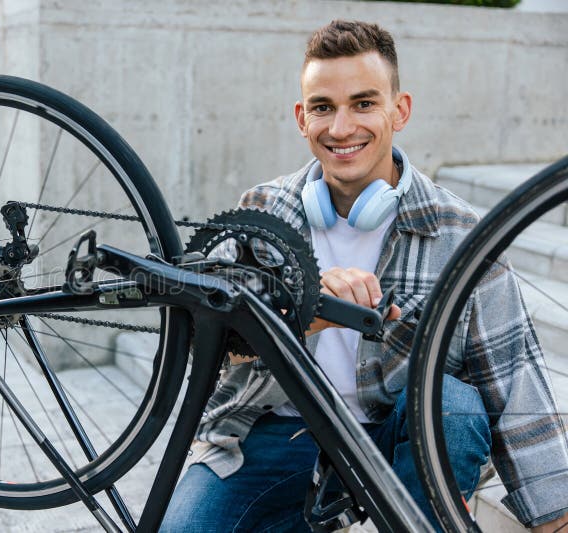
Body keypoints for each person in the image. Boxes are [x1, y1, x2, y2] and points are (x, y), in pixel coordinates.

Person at [160, 20, 568, 532]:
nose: (341, 128)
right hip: (271, 433)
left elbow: (513, 375)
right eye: (323, 107)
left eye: (364, 103)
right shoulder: (262, 209)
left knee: (455, 409)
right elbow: (208, 340)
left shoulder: (459, 231)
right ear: (300, 118)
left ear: (400, 110)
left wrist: (556, 518)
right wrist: (303, 313)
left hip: (394, 433)